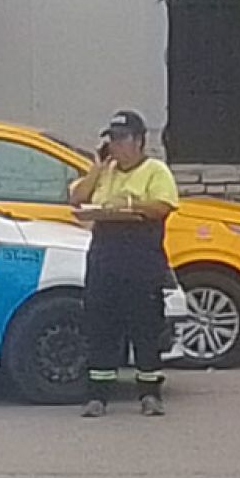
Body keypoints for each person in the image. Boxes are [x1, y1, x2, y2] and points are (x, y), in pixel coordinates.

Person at [69, 111, 179, 417]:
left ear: (139, 141)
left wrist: (129, 205)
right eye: (111, 139)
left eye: (121, 139)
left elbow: (162, 207)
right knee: (100, 328)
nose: (115, 145)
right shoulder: (107, 172)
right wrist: (98, 166)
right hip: (105, 261)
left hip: (141, 262)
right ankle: (97, 396)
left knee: (145, 329)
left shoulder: (155, 171)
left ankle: (149, 394)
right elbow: (77, 199)